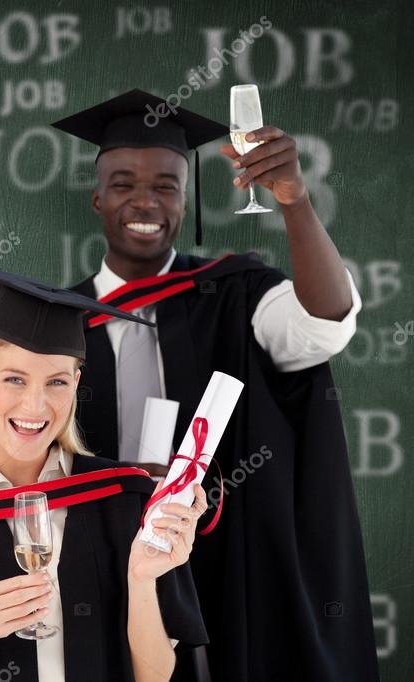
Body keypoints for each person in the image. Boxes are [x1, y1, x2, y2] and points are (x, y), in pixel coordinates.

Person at [50, 89, 377, 681]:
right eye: (122, 184)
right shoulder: (54, 317)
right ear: (97, 198)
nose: (143, 200)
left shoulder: (236, 291)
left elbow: (324, 326)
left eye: (166, 186)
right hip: (90, 561)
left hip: (220, 557)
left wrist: (295, 201)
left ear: (186, 200)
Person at [0, 257, 209, 681]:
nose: (36, 405)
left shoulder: (123, 500)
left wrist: (139, 580)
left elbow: (154, 677)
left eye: (56, 382)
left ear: (77, 385)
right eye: (14, 379)